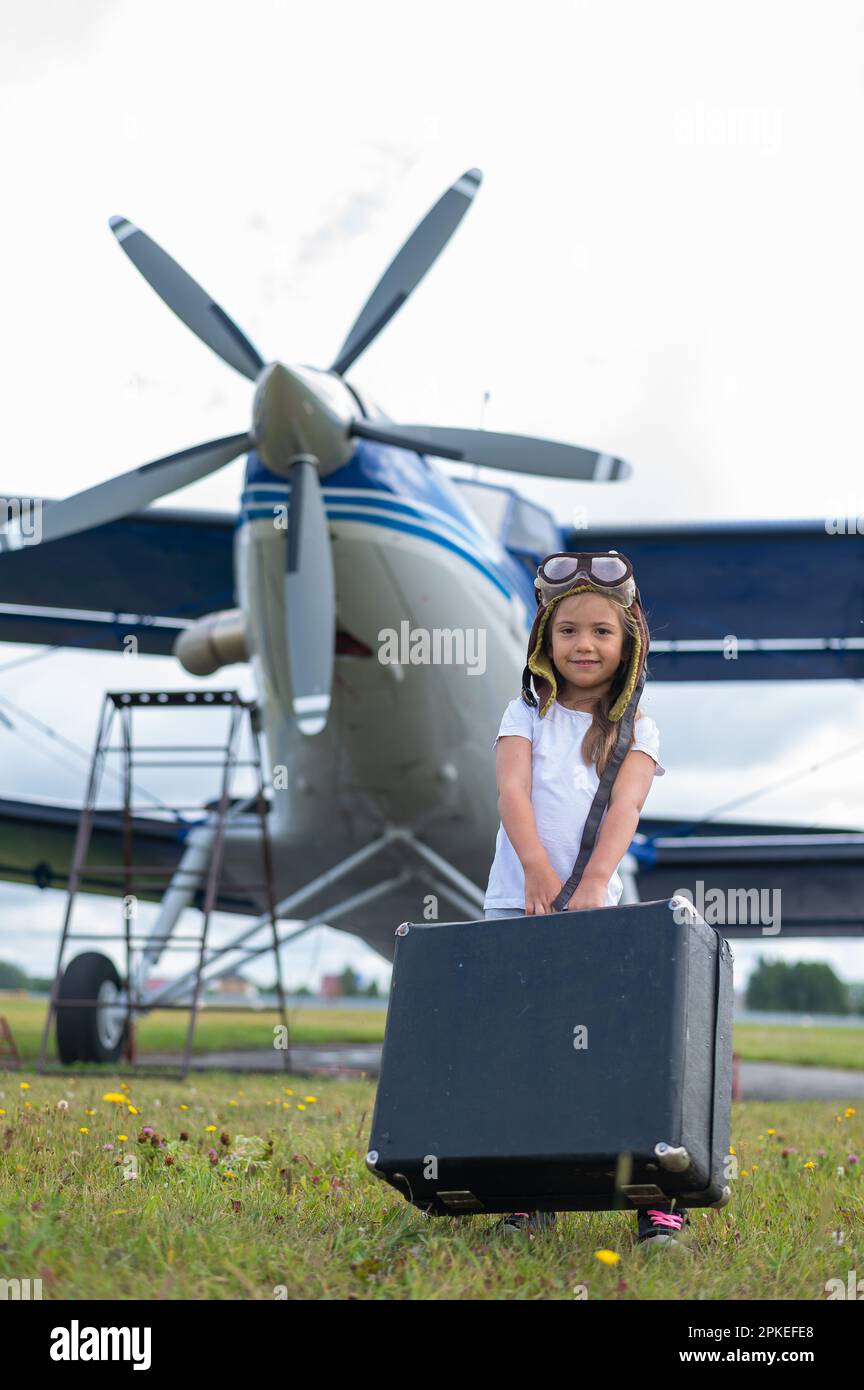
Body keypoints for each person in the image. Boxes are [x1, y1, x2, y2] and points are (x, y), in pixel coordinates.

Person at [483, 550, 692, 1252]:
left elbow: (626, 807)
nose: (584, 645)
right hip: (518, 906)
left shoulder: (640, 731)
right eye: (569, 630)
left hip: (599, 914)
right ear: (546, 639)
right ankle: (528, 1193)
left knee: (614, 1054)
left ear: (628, 640)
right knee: (525, 1054)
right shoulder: (524, 713)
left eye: (601, 631)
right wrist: (538, 870)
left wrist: (595, 884)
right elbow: (513, 792)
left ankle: (653, 1199)